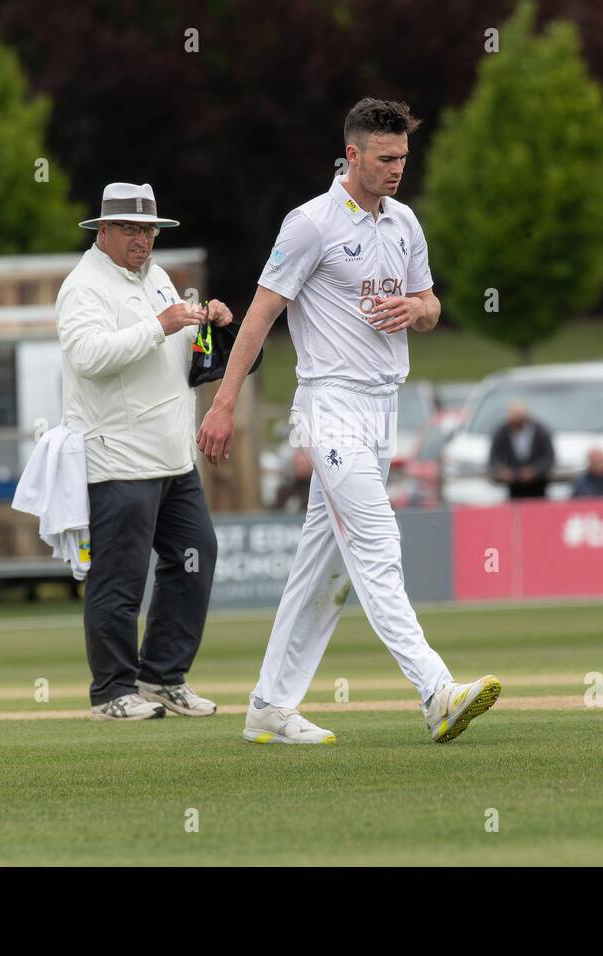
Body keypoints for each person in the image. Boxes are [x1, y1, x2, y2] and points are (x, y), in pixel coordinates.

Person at [197, 98, 500, 745]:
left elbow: (432, 304)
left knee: (324, 567)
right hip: (329, 406)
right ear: (353, 154)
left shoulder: (405, 222)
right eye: (387, 158)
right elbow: (260, 313)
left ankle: (270, 708)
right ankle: (436, 690)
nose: (397, 169)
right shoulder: (310, 224)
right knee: (375, 544)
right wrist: (223, 403)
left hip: (384, 405)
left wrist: (414, 310)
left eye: (404, 158)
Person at [57, 182, 233, 722]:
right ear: (103, 230)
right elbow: (87, 356)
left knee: (195, 557)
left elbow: (175, 359)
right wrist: (160, 325)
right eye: (131, 229)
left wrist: (208, 326)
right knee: (120, 577)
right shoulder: (84, 286)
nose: (142, 239)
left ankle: (162, 676)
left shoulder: (156, 278)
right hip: (117, 456)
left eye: (149, 229)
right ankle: (111, 692)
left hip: (172, 457)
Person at [488, 402, 555, 499]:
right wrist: (501, 470)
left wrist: (535, 471)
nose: (515, 426)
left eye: (519, 422)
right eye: (513, 422)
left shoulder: (541, 432)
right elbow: (494, 456)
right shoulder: (502, 431)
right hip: (511, 487)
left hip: (538, 485)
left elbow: (549, 457)